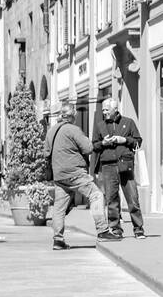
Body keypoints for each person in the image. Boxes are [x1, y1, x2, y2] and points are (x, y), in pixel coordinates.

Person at [46, 103, 121, 249]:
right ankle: (103, 230)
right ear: (73, 115)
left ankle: (58, 240)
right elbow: (88, 148)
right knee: (97, 195)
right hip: (75, 173)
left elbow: (46, 152)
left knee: (59, 208)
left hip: (59, 175)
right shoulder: (73, 130)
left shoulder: (52, 131)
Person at [92, 97, 146, 239]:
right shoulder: (100, 125)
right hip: (108, 165)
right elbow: (94, 146)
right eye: (103, 110)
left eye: (106, 110)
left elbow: (138, 142)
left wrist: (125, 140)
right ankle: (115, 229)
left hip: (125, 164)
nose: (104, 112)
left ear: (115, 109)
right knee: (112, 199)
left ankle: (138, 229)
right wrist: (103, 143)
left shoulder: (128, 122)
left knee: (132, 198)